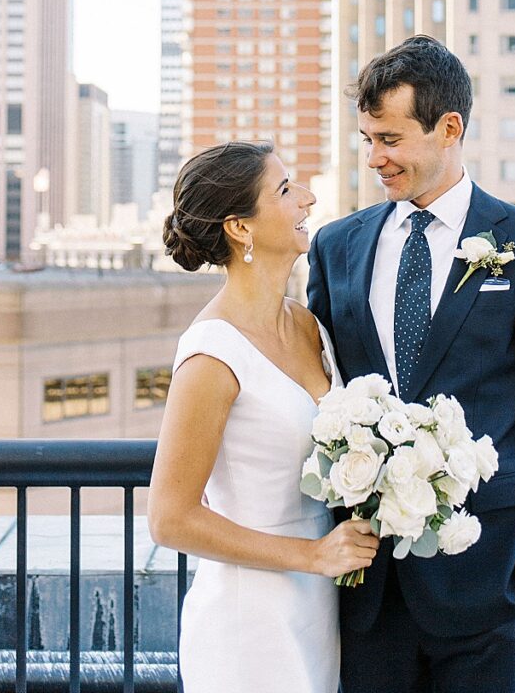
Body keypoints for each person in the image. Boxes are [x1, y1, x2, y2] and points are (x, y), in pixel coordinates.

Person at [307, 36, 515, 693]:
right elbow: (320, 394)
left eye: (390, 139)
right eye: (367, 139)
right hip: (368, 594)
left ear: (449, 128)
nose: (375, 159)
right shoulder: (335, 247)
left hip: (491, 588)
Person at [148, 141, 379, 693]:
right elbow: (170, 518)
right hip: (247, 620)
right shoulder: (211, 353)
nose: (307, 198)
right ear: (240, 228)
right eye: (283, 190)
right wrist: (312, 554)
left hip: (318, 606)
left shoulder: (310, 328)